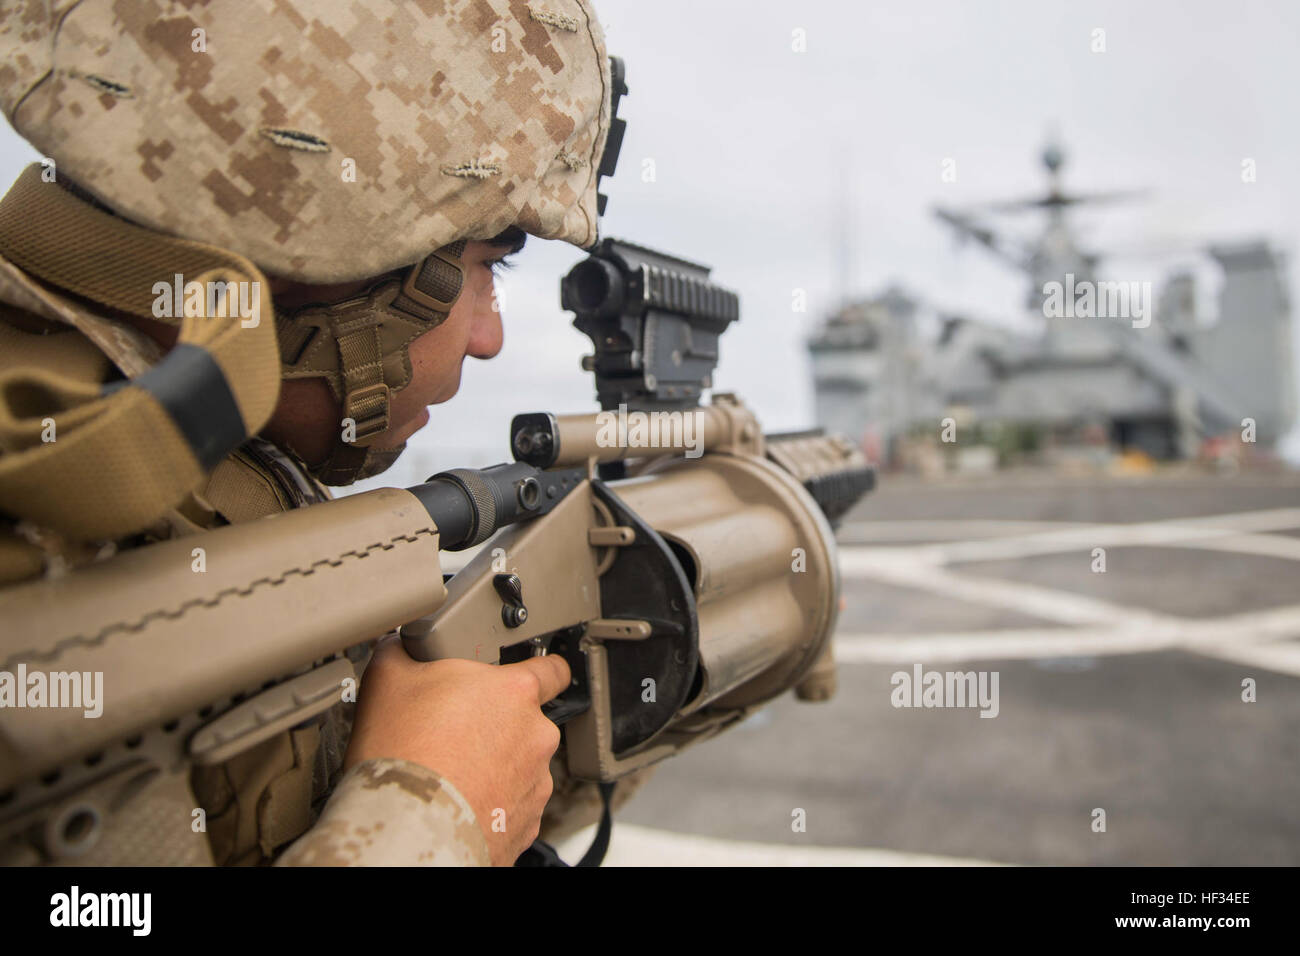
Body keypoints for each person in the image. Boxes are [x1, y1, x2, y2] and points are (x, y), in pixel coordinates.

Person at [0, 0, 634, 866]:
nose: (489, 338)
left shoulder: (183, 470)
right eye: (488, 269)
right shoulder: (54, 527)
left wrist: (577, 737)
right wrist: (428, 815)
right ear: (325, 261)